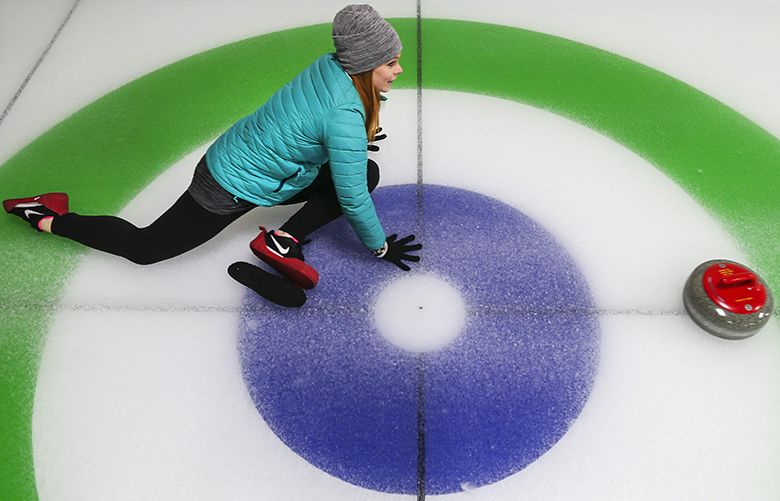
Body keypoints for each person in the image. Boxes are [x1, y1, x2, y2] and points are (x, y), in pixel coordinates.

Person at [3, 4, 421, 294]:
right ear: (364, 66)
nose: (398, 70)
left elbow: (309, 123)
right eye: (390, 63)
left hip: (254, 162)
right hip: (226, 186)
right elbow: (349, 195)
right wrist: (378, 246)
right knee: (147, 249)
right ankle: (48, 216)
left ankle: (282, 240)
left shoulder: (330, 67)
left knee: (365, 172)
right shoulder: (343, 116)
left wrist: (352, 141)